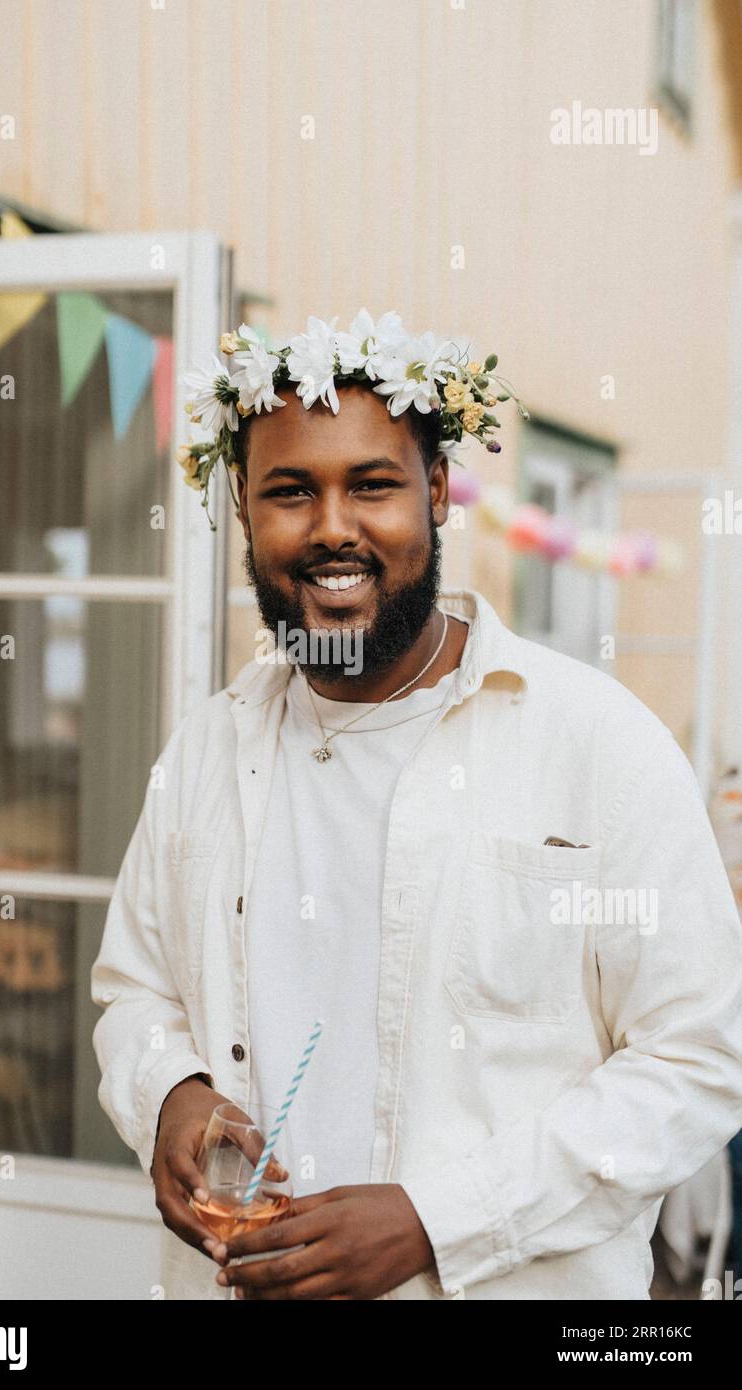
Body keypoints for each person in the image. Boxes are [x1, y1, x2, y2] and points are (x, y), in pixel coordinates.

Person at [91, 310, 742, 1300]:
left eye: (373, 484)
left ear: (436, 491)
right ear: (242, 506)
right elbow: (132, 990)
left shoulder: (596, 749)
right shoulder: (205, 753)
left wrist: (436, 1224)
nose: (331, 529)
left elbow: (697, 1059)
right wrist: (168, 1092)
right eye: (289, 492)